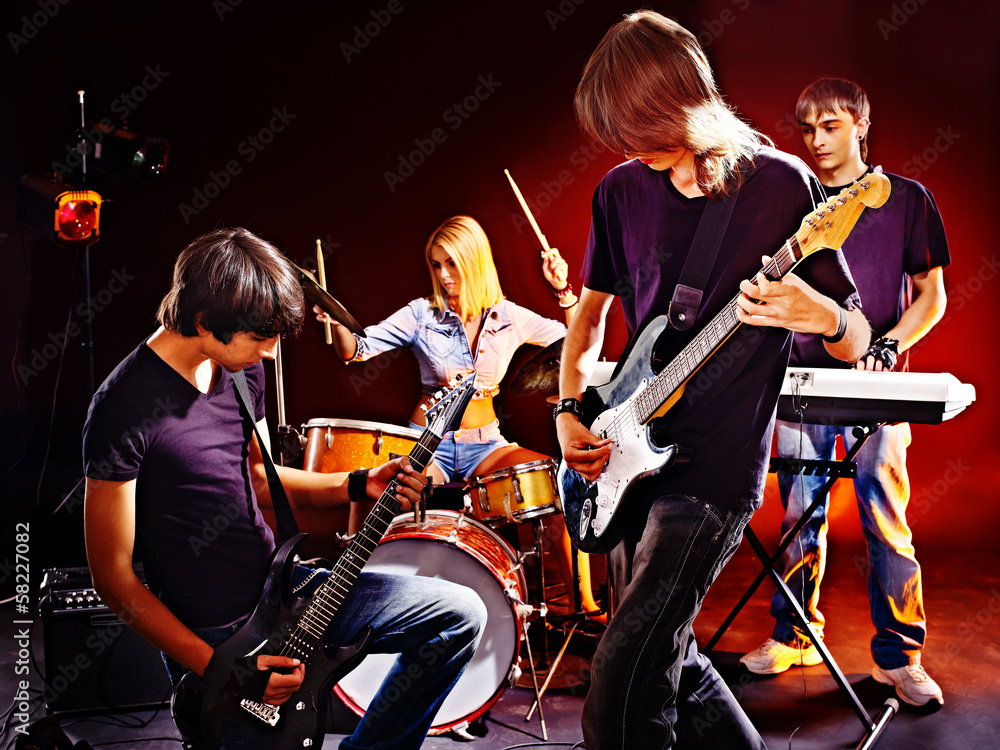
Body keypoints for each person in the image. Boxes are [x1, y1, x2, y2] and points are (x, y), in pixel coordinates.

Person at [556, 12, 872, 749]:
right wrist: (571, 410)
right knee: (675, 656)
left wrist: (818, 313)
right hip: (630, 458)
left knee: (622, 684)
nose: (641, 157)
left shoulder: (781, 187)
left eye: (651, 140)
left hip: (715, 476)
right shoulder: (620, 191)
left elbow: (856, 337)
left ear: (685, 105)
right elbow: (590, 319)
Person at [83, 227, 487, 750]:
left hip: (284, 592)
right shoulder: (122, 407)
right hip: (218, 635)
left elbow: (259, 476)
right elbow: (113, 581)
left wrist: (360, 482)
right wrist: (228, 673)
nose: (271, 355)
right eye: (261, 338)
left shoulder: (238, 370)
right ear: (205, 322)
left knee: (459, 616)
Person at [739, 78, 949, 708]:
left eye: (830, 126)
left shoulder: (908, 199)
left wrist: (884, 347)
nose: (816, 141)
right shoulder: (792, 203)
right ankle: (795, 635)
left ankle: (900, 657)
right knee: (798, 518)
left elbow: (932, 297)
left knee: (885, 520)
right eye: (806, 129)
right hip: (801, 387)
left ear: (860, 124)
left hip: (878, 391)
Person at [320, 214, 603, 616]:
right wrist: (335, 321)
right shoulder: (422, 314)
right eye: (436, 265)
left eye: (451, 263)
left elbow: (577, 344)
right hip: (427, 445)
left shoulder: (508, 316)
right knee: (398, 495)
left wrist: (563, 290)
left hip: (486, 443)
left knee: (560, 481)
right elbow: (357, 349)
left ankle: (582, 607)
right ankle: (360, 604)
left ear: (473, 261)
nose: (443, 274)